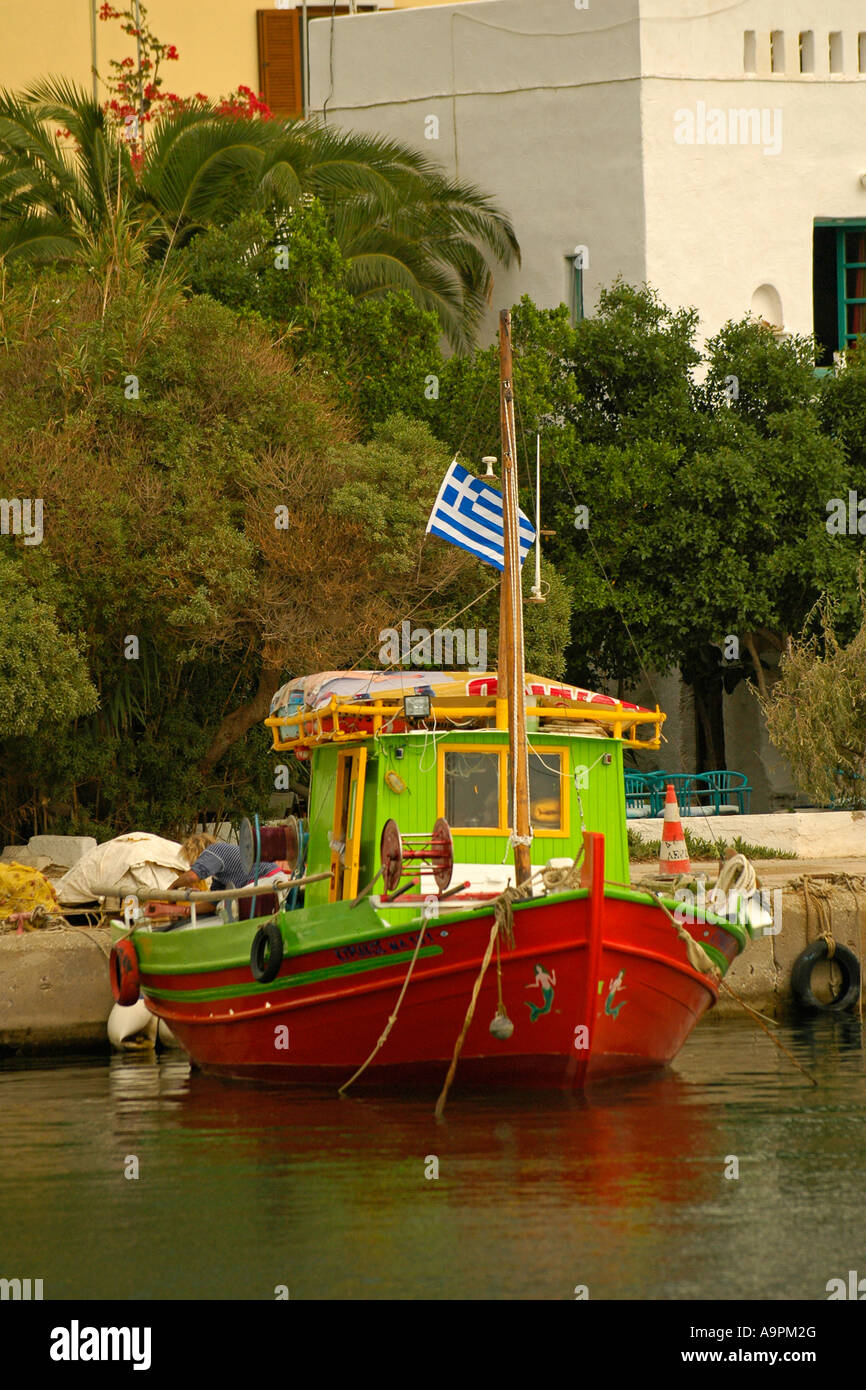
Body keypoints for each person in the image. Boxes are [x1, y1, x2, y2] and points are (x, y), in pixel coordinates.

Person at [168, 834, 291, 893]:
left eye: (189, 858)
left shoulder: (214, 850)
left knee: (227, 908)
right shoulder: (220, 876)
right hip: (273, 880)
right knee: (222, 905)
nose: (190, 864)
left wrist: (172, 887)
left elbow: (192, 876)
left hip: (268, 879)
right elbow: (213, 902)